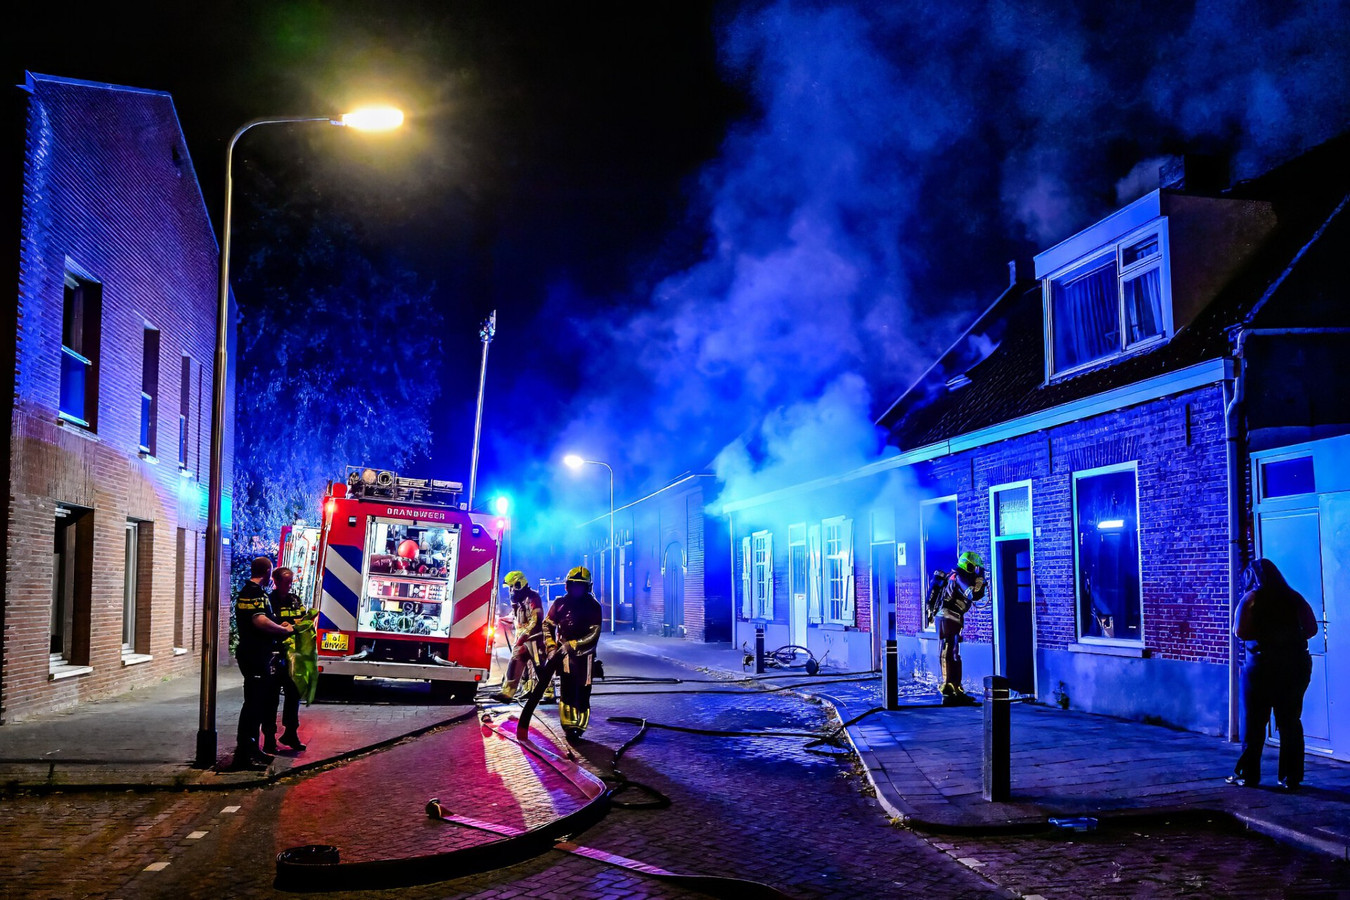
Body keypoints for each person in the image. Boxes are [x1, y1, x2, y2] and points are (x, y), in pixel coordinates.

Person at [1227, 558, 1319, 791]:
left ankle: (1249, 775)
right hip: (1295, 664)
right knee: (1290, 721)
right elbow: (1312, 629)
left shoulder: (1252, 598)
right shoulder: (1294, 597)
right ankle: (1291, 777)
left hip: (1262, 665)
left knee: (1255, 721)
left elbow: (1241, 632)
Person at [232, 556, 293, 769]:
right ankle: (244, 756)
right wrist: (283, 629)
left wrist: (277, 623)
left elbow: (263, 618)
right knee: (252, 705)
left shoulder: (251, 592)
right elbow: (259, 621)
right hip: (254, 654)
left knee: (256, 704)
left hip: (255, 654)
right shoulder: (254, 593)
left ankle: (252, 750)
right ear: (268, 572)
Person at [543, 566, 603, 739]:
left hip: (587, 655)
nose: (577, 589)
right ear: (568, 585)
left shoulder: (593, 606)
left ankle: (580, 725)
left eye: (580, 586)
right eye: (574, 585)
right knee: (567, 688)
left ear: (587, 588)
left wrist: (574, 644)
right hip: (564, 656)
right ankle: (569, 725)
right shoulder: (559, 604)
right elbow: (548, 625)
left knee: (584, 690)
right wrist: (551, 647)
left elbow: (594, 633)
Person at [927, 550, 986, 706]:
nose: (975, 572)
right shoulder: (958, 577)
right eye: (974, 568)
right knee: (948, 649)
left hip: (954, 616)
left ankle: (956, 688)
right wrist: (980, 579)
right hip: (947, 616)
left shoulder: (958, 576)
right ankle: (947, 687)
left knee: (954, 652)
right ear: (967, 565)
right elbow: (973, 595)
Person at [491, 571, 551, 703]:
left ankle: (549, 693)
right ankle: (507, 693)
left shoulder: (533, 597)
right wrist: (503, 620)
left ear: (520, 584)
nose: (511, 590)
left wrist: (524, 635)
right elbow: (517, 618)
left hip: (534, 639)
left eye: (513, 587)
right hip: (522, 640)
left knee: (539, 666)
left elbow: (536, 619)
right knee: (514, 663)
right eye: (510, 587)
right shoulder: (517, 601)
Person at [269, 566, 308, 751]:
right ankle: (269, 738)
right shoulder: (268, 601)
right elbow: (265, 623)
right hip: (274, 655)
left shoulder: (295, 600)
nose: (289, 585)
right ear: (275, 582)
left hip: (292, 655)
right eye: (286, 582)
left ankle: (291, 734)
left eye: (291, 582)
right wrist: (280, 626)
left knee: (293, 695)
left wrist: (293, 624)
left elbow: (304, 620)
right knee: (271, 698)